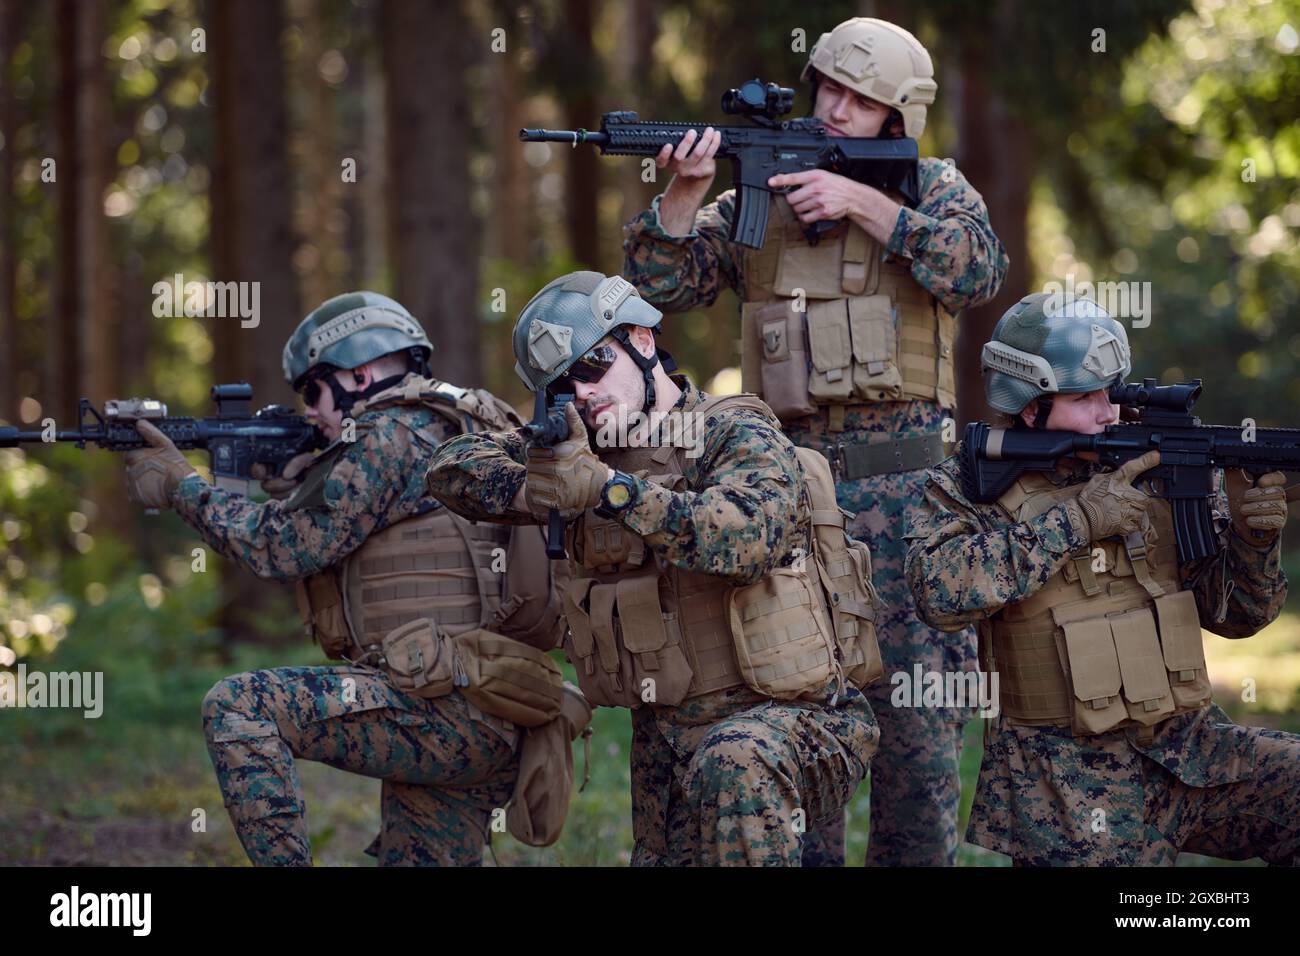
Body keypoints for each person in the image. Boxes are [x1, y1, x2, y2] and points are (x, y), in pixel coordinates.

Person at [622, 15, 1009, 866]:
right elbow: (660, 288)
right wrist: (682, 194)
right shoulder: (755, 195)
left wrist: (867, 206)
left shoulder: (932, 185)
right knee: (796, 707)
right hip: (790, 505)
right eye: (827, 89)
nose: (836, 108)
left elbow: (978, 270)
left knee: (916, 744)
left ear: (896, 117)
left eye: (860, 99)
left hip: (911, 508)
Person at [426, 270, 882, 865]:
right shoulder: (580, 444)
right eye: (563, 385)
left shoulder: (729, 429)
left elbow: (751, 538)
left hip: (795, 722)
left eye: (592, 366)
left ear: (642, 340)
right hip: (667, 738)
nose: (583, 393)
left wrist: (611, 491)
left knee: (735, 761)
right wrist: (544, 487)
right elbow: (449, 468)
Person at [122, 291, 580, 866]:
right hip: (494, 701)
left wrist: (180, 487)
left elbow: (279, 549)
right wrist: (299, 479)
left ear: (360, 373)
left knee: (240, 707)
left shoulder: (386, 436)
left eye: (312, 390)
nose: (309, 411)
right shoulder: (459, 419)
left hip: (445, 708)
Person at [905, 291, 1298, 865]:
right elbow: (937, 592)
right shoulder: (968, 484)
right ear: (1028, 402)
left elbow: (1237, 616)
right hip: (1064, 780)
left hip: (1189, 751)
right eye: (1084, 397)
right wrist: (1078, 520)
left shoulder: (1156, 466)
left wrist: (1253, 538)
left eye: (1111, 391)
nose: (1107, 411)